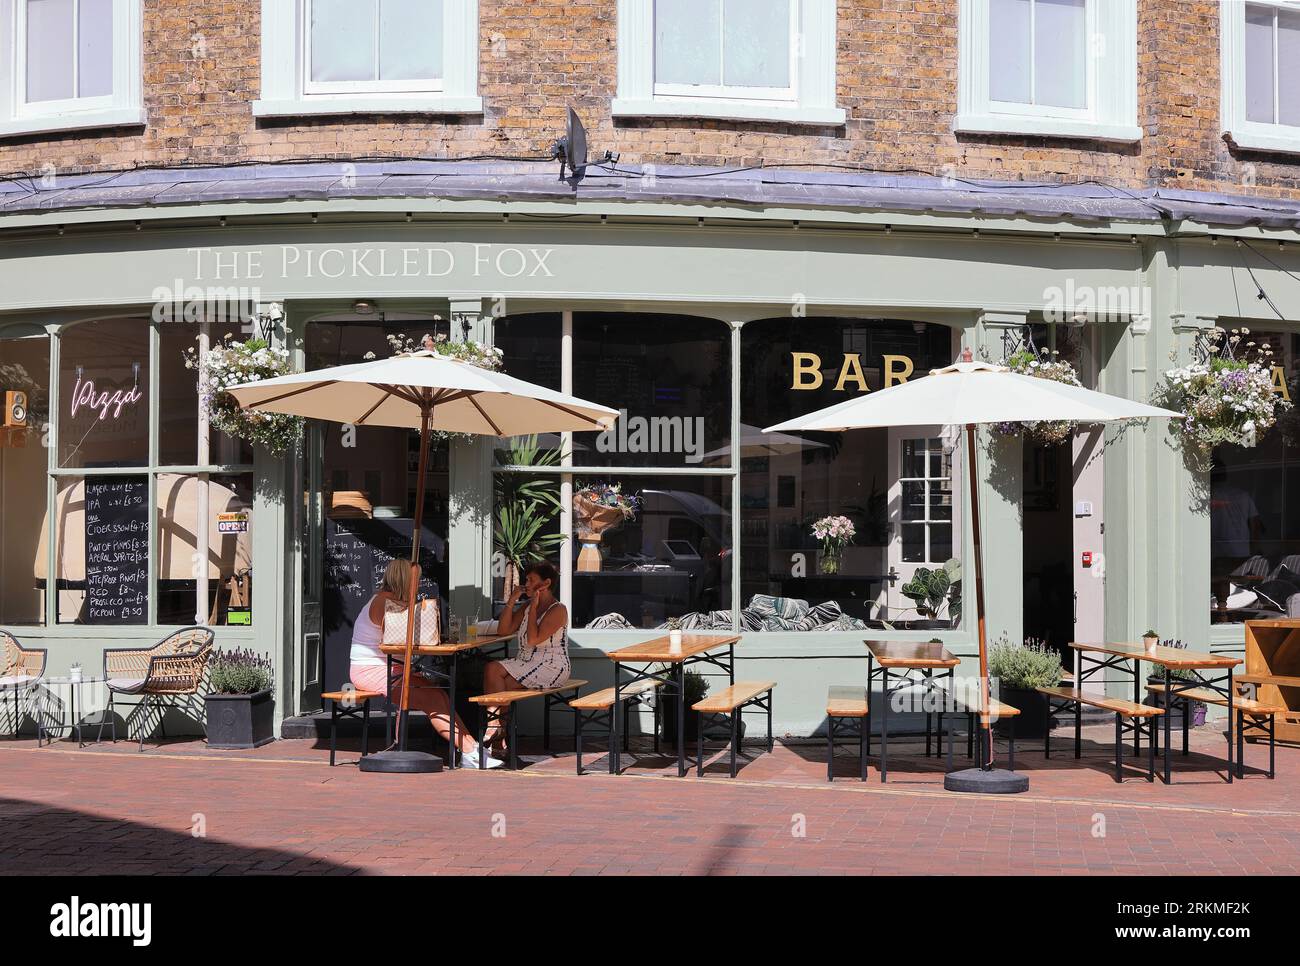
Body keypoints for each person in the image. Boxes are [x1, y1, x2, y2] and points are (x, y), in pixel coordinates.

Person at [350, 559, 502, 768]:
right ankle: (470, 751)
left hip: (392, 667)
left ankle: (472, 749)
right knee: (431, 699)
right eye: (416, 579)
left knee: (439, 695)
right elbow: (395, 641)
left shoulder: (394, 601)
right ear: (404, 579)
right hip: (371, 669)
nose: (419, 583)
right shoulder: (385, 602)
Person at [481, 562, 570, 753]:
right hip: (525, 662)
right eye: (526, 580)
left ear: (545, 583)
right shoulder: (528, 606)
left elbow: (533, 639)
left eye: (531, 580)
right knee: (493, 673)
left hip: (551, 665)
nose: (526, 584)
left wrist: (534, 609)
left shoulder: (558, 610)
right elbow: (503, 630)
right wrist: (512, 600)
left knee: (497, 678)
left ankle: (496, 733)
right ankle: (497, 730)